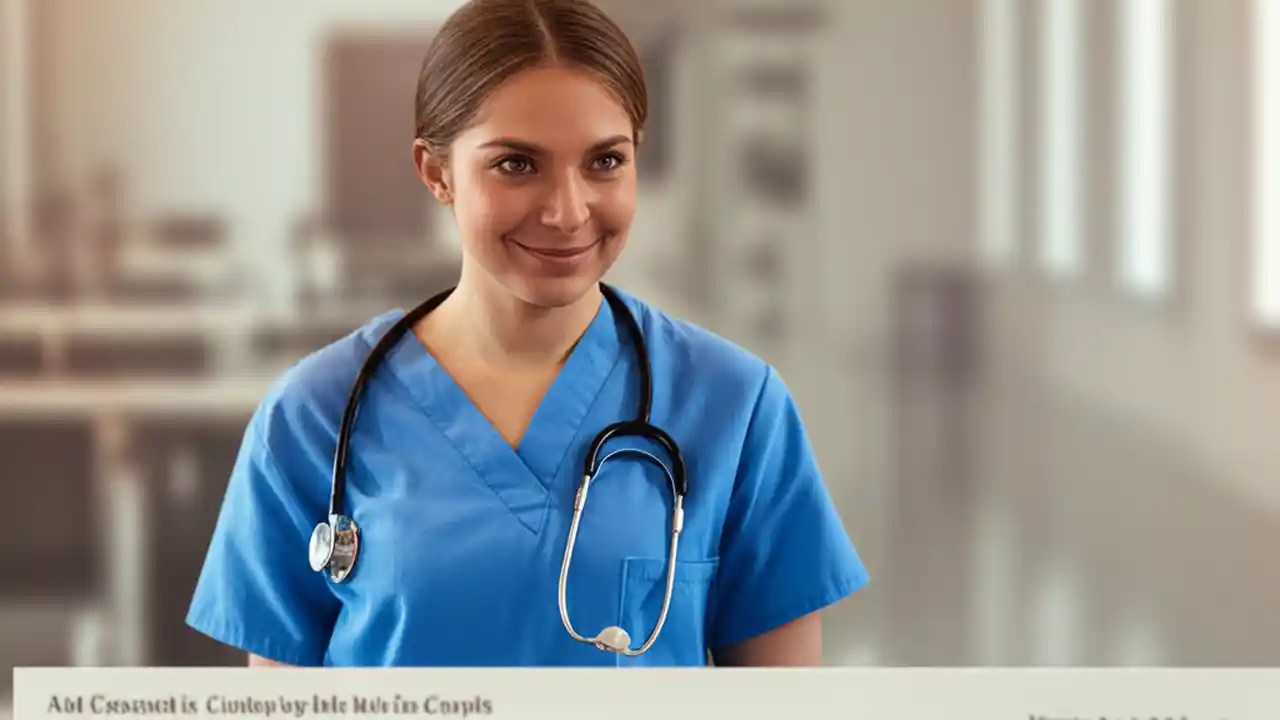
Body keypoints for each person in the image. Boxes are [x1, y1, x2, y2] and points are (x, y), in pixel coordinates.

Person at [186, 0, 868, 668]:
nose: (568, 211)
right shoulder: (313, 415)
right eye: (517, 164)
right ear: (436, 172)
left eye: (604, 162)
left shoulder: (736, 408)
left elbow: (786, 708)